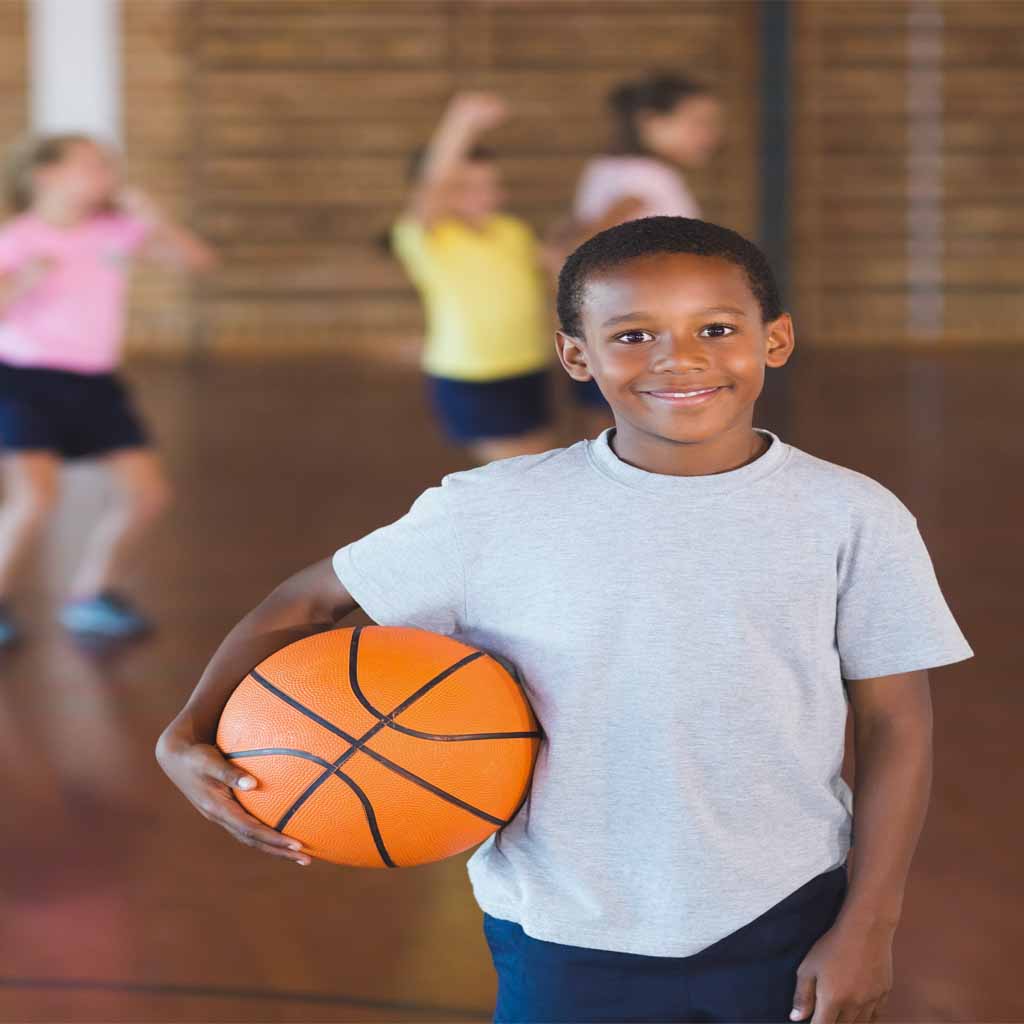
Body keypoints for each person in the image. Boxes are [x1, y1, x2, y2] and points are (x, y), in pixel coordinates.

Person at [157, 216, 973, 1024]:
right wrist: (188, 729)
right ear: (576, 355)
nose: (679, 357)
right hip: (563, 928)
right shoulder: (494, 509)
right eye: (633, 336)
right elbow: (308, 603)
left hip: (786, 913)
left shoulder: (852, 516)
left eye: (717, 329)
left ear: (776, 338)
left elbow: (896, 724)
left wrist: (870, 923)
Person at [0, 134, 217, 645]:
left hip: (96, 382)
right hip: (26, 380)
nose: (107, 176)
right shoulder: (18, 238)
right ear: (45, 175)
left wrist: (156, 219)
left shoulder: (116, 231)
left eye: (108, 166)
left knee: (148, 496)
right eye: (91, 166)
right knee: (35, 501)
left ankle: (91, 595)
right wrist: (21, 283)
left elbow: (198, 261)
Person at [546, 72, 724, 436]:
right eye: (697, 123)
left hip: (612, 322)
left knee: (609, 423)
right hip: (639, 327)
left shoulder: (607, 167)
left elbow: (571, 232)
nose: (710, 135)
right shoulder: (647, 177)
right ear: (650, 122)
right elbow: (579, 242)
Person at [390, 92, 556, 464]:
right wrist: (461, 122)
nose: (484, 195)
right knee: (511, 474)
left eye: (490, 184)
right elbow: (433, 185)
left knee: (541, 462)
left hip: (528, 363)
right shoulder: (426, 237)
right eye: (465, 187)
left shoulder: (512, 230)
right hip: (472, 373)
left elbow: (558, 267)